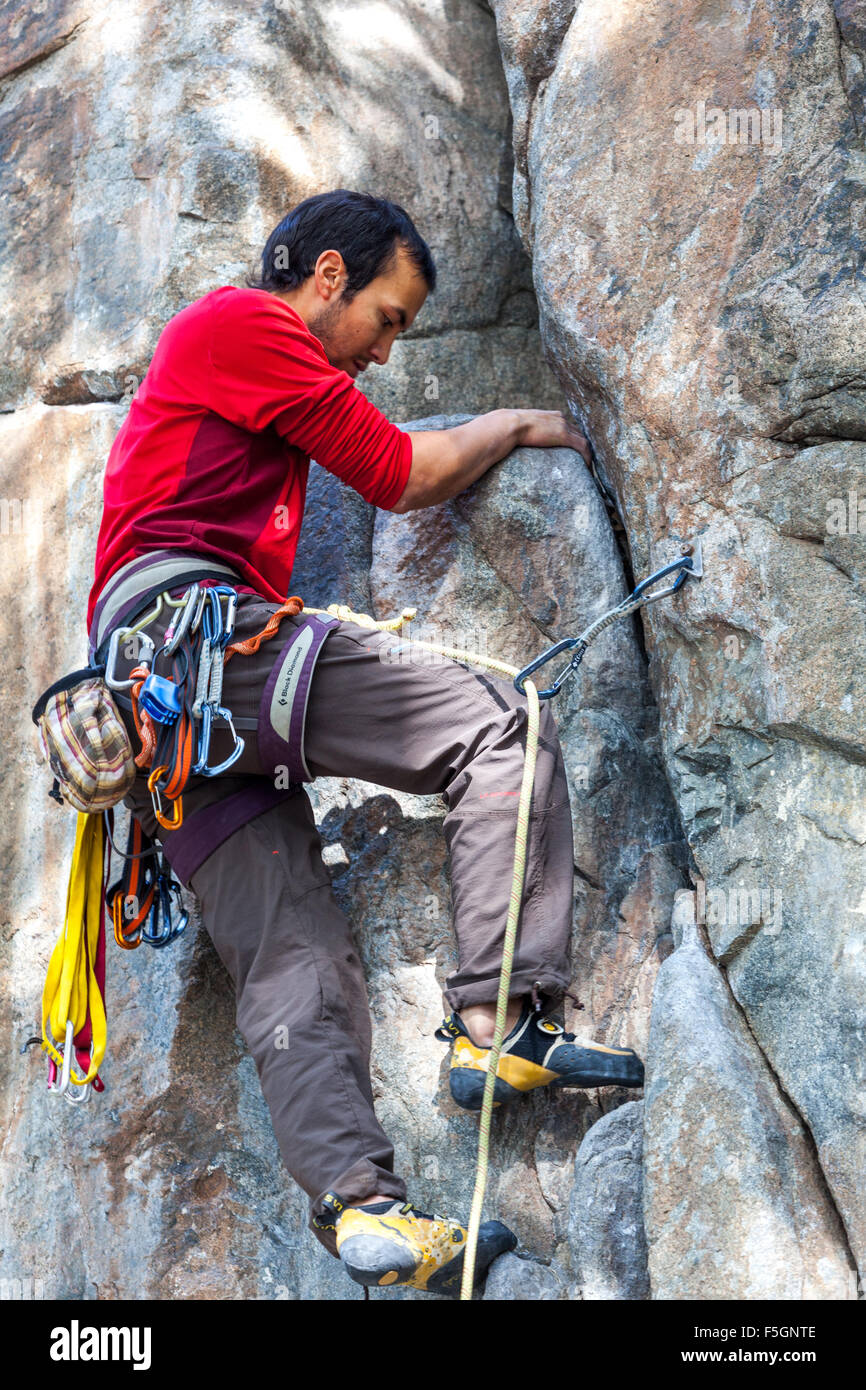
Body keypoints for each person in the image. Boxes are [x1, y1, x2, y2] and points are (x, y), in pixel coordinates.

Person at [86, 189, 645, 1297]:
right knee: (500, 725)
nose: (386, 351)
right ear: (329, 278)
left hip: (160, 719)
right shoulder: (244, 324)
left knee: (293, 952)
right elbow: (400, 472)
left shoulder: (236, 372)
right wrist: (526, 425)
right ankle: (497, 1023)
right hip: (203, 653)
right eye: (387, 317)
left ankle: (364, 1214)